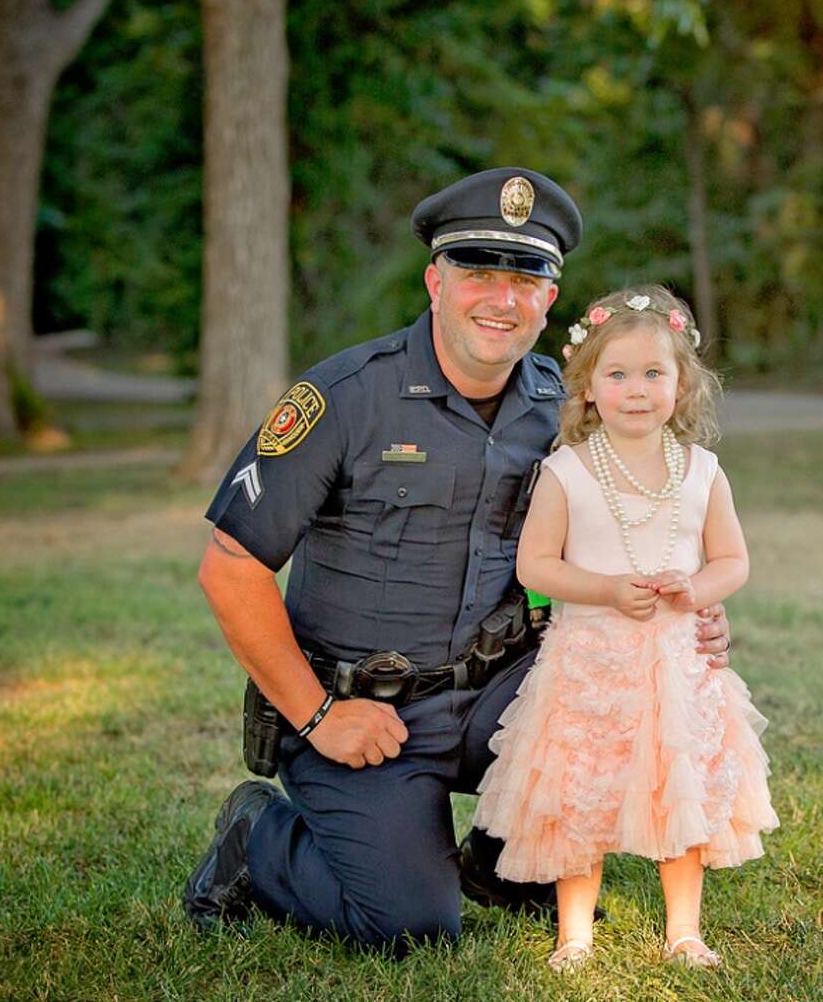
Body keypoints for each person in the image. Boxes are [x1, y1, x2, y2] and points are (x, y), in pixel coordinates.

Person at [183, 168, 734, 952]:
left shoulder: (567, 409)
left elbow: (642, 532)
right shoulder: (346, 397)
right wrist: (318, 715)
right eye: (479, 273)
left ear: (550, 300)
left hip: (502, 696)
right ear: (435, 280)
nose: (501, 299)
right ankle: (256, 838)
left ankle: (500, 860)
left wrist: (695, 616)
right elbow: (230, 564)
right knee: (409, 926)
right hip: (365, 710)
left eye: (525, 278)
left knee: (633, 714)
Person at [473, 284, 779, 970]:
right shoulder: (569, 471)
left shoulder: (702, 472)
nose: (635, 390)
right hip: (589, 666)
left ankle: (684, 931)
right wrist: (607, 589)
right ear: (587, 386)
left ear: (682, 384)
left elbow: (733, 559)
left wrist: (694, 587)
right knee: (579, 795)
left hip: (678, 668)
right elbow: (535, 565)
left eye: (653, 374)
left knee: (681, 791)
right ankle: (574, 933)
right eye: (616, 375)